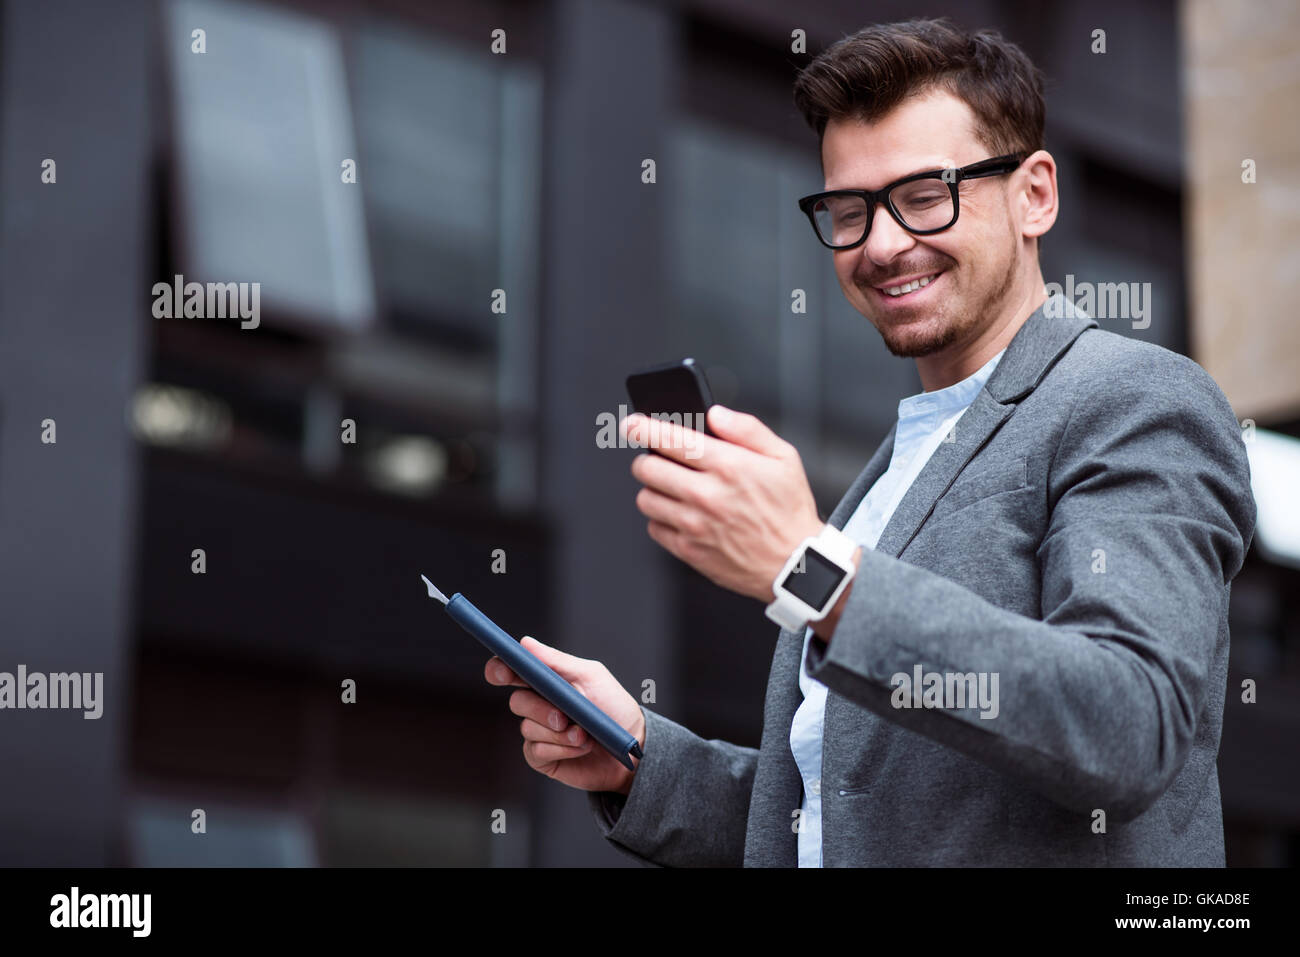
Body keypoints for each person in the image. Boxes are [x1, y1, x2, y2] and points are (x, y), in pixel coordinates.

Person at [484, 17, 1256, 866]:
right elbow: (838, 818)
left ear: (1035, 192)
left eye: (926, 195)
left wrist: (809, 568)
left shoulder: (1133, 399)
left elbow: (1129, 723)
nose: (884, 244)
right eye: (849, 210)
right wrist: (639, 758)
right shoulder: (891, 474)